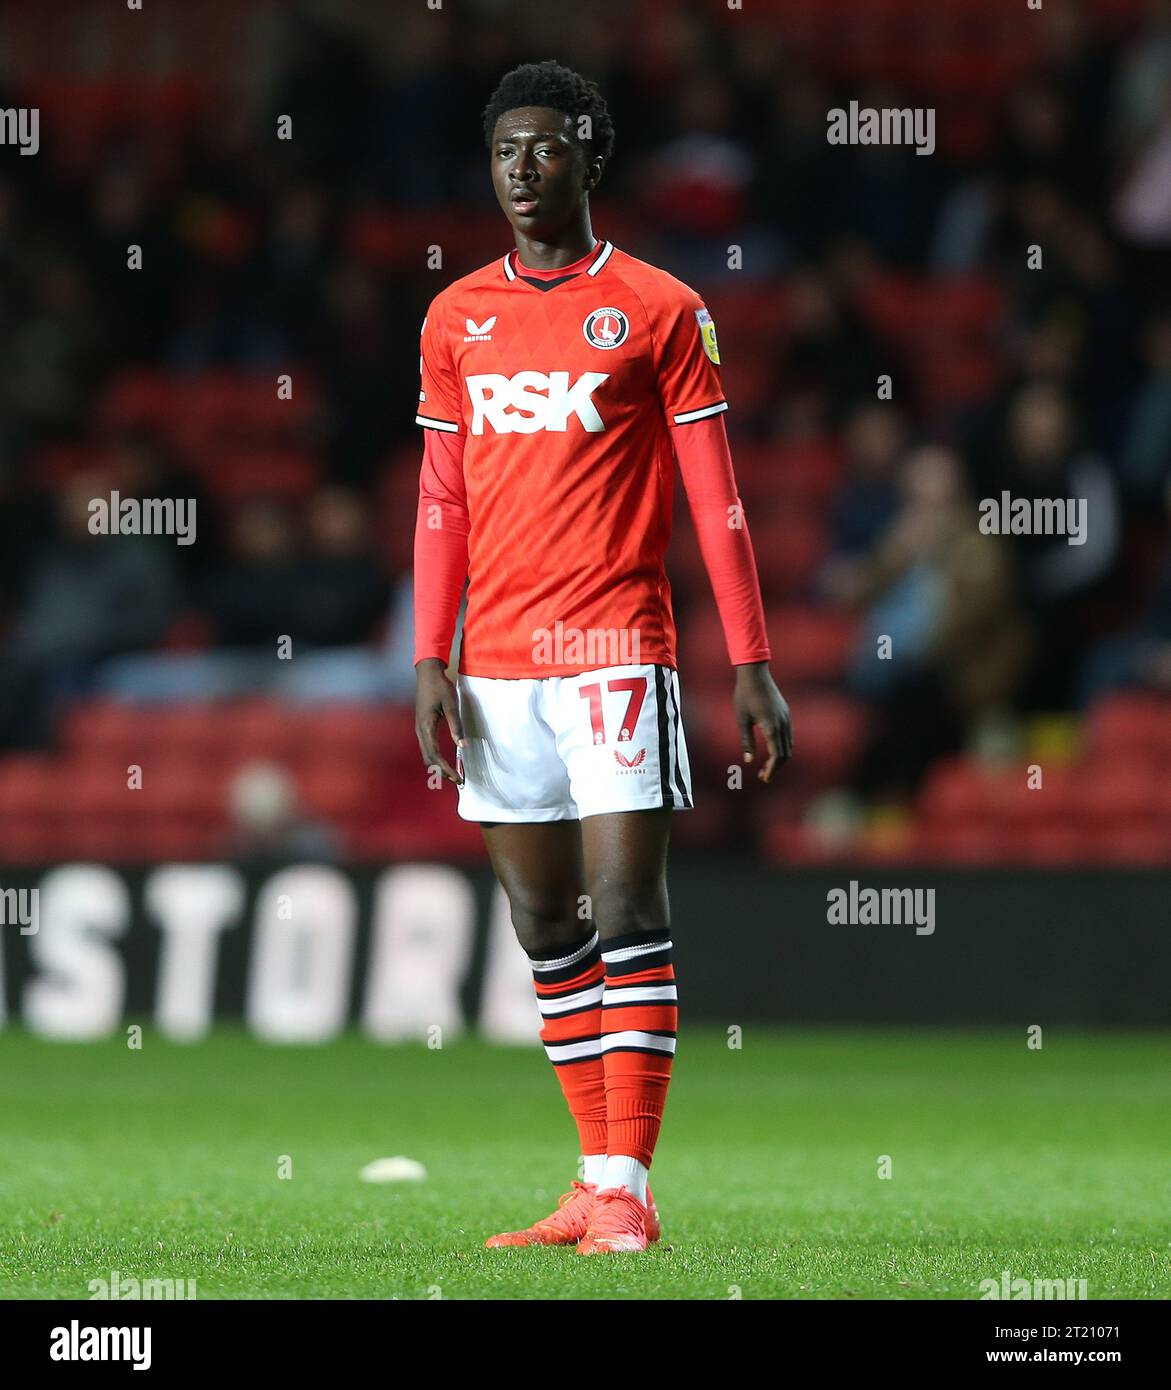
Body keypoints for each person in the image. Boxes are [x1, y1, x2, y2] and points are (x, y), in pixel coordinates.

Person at [412, 61, 791, 1255]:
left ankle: (628, 1183)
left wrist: (752, 657)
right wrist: (431, 654)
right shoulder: (455, 316)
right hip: (499, 663)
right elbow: (441, 497)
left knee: (627, 904)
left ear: (591, 158)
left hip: (617, 648)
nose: (523, 170)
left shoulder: (661, 309)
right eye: (504, 151)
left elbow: (717, 496)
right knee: (543, 922)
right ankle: (592, 1175)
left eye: (547, 148)